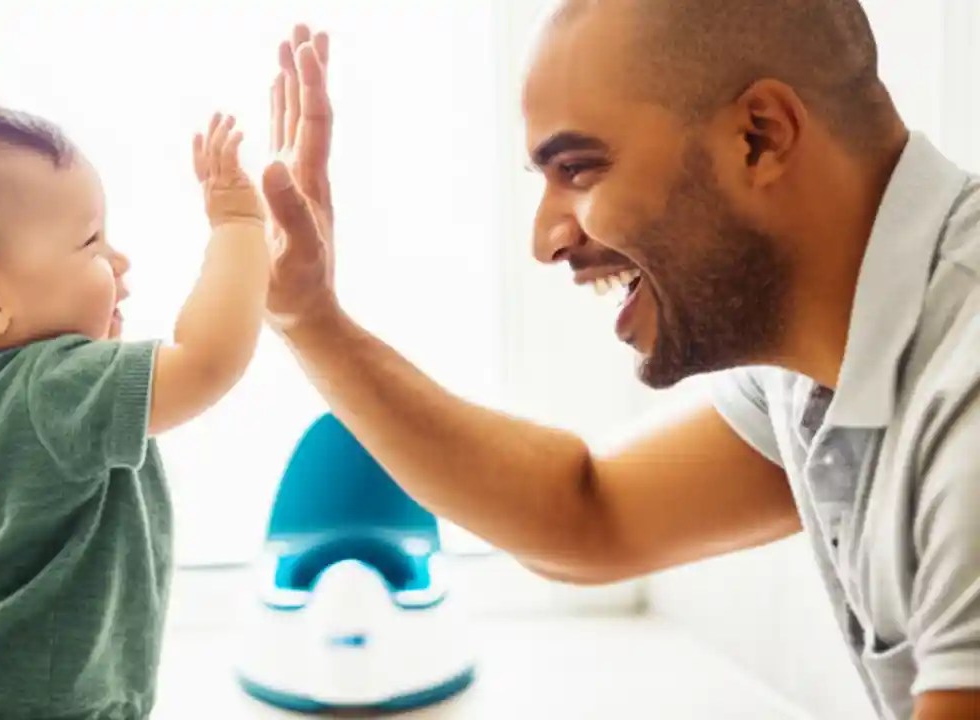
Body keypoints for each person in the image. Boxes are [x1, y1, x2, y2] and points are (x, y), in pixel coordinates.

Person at [258, 4, 979, 719]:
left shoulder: (966, 390)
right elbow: (588, 515)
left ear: (759, 137)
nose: (545, 240)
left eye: (578, 168)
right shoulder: (826, 353)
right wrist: (310, 321)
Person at [0, 102, 268, 719]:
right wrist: (238, 225)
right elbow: (207, 363)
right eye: (91, 241)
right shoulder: (53, 387)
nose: (119, 262)